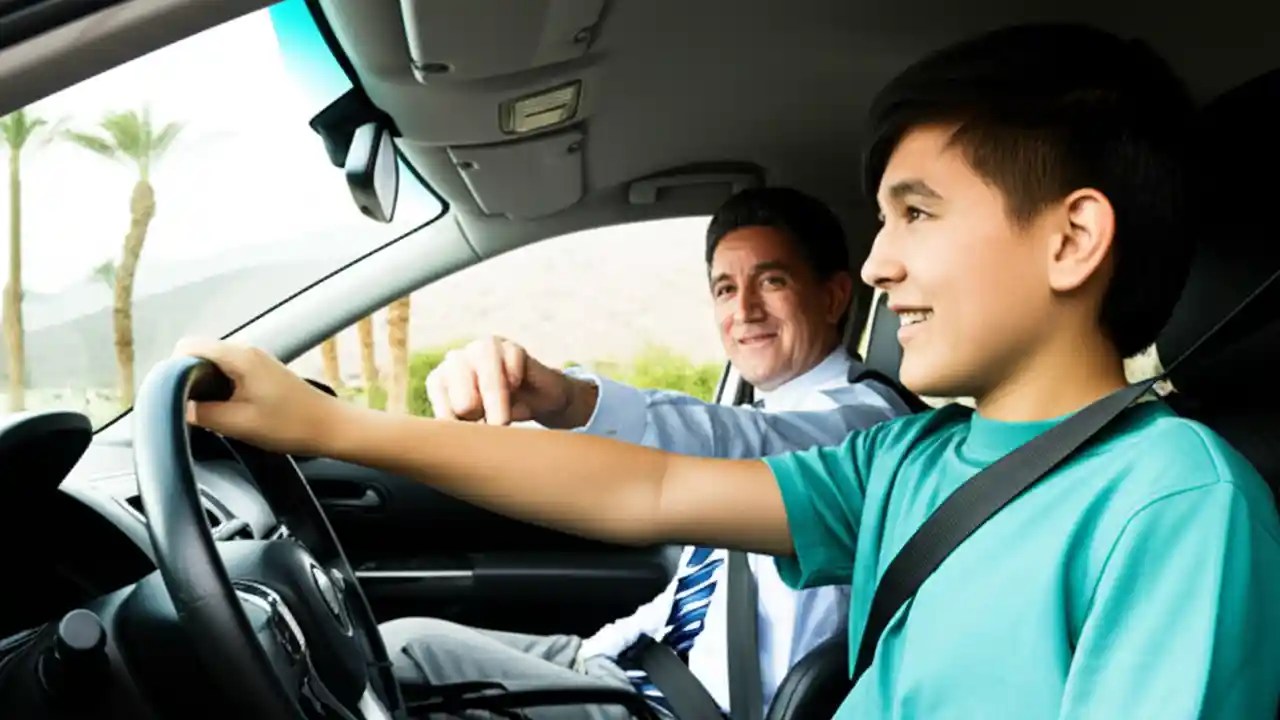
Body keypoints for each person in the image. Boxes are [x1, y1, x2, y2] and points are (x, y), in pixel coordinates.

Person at [175, 22, 1280, 719]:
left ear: (1070, 241)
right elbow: (642, 487)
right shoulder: (906, 459)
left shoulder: (1172, 503)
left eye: (915, 214)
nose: (882, 261)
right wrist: (331, 428)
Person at [379, 186, 913, 720]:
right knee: (398, 646)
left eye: (772, 281)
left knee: (413, 662)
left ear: (834, 298)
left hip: (690, 710)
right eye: (725, 289)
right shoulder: (775, 410)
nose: (744, 309)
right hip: (637, 665)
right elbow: (706, 598)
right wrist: (593, 653)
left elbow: (737, 442)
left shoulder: (862, 424)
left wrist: (570, 399)